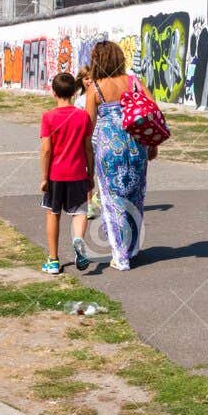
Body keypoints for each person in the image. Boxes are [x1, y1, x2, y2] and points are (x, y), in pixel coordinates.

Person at [84, 40, 149, 270]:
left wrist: (87, 159)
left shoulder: (95, 89)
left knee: (112, 201)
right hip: (136, 146)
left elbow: (88, 127)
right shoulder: (133, 82)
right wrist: (152, 144)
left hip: (109, 149)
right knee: (135, 196)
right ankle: (131, 248)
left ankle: (120, 255)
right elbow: (151, 109)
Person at [39, 72, 93, 274]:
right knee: (80, 212)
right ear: (74, 92)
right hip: (78, 173)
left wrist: (44, 177)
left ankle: (53, 260)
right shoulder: (83, 116)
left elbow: (46, 150)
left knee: (53, 214)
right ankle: (78, 239)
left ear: (53, 92)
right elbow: (88, 148)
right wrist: (90, 174)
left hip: (55, 174)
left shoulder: (48, 117)